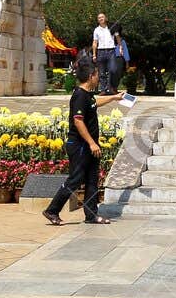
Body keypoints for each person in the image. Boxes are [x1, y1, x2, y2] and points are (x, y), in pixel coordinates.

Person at [43, 56, 123, 226]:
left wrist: (115, 97)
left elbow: (94, 103)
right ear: (90, 76)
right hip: (80, 145)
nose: (98, 78)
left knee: (92, 179)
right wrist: (91, 143)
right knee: (76, 179)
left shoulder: (87, 95)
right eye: (97, 75)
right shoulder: (79, 95)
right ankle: (52, 210)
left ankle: (91, 214)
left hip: (89, 146)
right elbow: (78, 121)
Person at [91, 12, 115, 87]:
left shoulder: (112, 27)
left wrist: (120, 47)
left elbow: (118, 36)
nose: (101, 18)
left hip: (111, 51)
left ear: (106, 18)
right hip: (101, 51)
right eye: (99, 18)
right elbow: (95, 42)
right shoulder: (96, 30)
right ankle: (104, 89)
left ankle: (111, 87)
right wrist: (94, 55)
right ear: (98, 20)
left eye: (102, 17)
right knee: (101, 72)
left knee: (112, 70)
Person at [109, 25, 131, 92]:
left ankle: (115, 87)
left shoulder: (122, 41)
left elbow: (125, 51)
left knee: (118, 74)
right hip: (110, 58)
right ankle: (110, 88)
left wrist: (127, 63)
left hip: (119, 59)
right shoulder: (109, 40)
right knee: (111, 73)